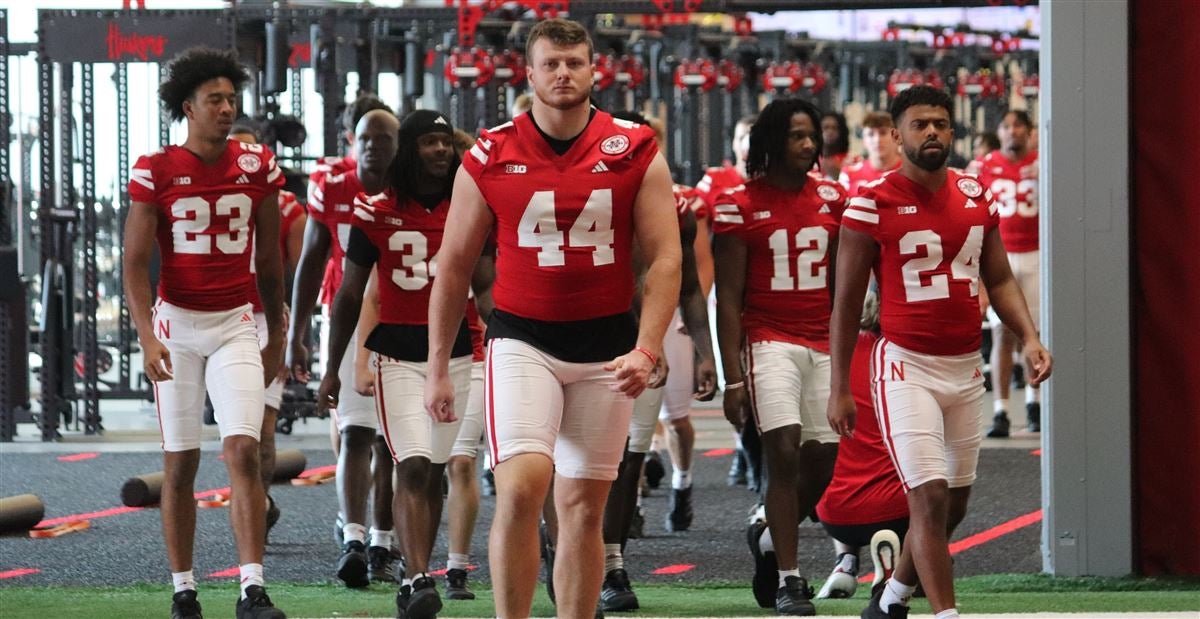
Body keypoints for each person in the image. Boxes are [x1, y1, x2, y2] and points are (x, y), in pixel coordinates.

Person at [424, 18, 682, 619]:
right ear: (530, 72)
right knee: (519, 489)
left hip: (608, 345)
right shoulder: (489, 153)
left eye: (574, 63)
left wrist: (647, 346)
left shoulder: (635, 146)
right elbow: (454, 264)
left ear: (594, 70)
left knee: (585, 510)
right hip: (523, 338)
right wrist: (439, 367)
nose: (563, 73)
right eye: (551, 64)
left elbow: (665, 257)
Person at [828, 85, 1051, 619]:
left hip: (964, 364)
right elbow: (845, 303)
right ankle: (946, 613)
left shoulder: (975, 194)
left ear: (953, 131)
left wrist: (1030, 337)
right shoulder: (870, 200)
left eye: (941, 123)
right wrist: (838, 387)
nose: (932, 132)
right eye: (920, 124)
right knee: (926, 498)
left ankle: (892, 597)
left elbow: (997, 278)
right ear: (898, 134)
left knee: (953, 504)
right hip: (905, 363)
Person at [123, 47, 286, 619]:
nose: (226, 108)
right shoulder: (157, 168)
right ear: (187, 106)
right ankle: (183, 588)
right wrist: (147, 337)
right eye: (214, 99)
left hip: (236, 322)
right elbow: (135, 263)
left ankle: (251, 587)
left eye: (231, 99)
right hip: (177, 325)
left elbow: (270, 265)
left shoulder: (256, 164)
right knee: (180, 461)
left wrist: (279, 338)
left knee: (243, 450)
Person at [319, 109, 480, 619]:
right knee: (410, 463)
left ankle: (417, 572)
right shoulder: (373, 211)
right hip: (398, 356)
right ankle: (415, 574)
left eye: (444, 143)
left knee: (433, 471)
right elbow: (350, 293)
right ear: (408, 150)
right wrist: (334, 365)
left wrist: (507, 347)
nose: (440, 151)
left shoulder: (470, 208)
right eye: (429, 142)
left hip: (458, 354)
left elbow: (493, 286)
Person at [714, 97, 847, 616]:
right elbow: (727, 295)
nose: (809, 144)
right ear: (771, 140)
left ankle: (768, 534)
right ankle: (791, 578)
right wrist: (732, 377)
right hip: (768, 338)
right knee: (784, 450)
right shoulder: (739, 202)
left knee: (825, 457)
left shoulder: (834, 197)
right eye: (796, 135)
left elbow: (842, 282)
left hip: (822, 339)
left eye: (812, 134)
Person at [597, 111, 718, 613]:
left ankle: (612, 562)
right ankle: (562, 545)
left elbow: (688, 285)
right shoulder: (589, 194)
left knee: (630, 457)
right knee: (578, 460)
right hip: (583, 338)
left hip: (644, 340)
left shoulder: (677, 206)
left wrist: (704, 353)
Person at [290, 106, 401, 588]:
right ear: (351, 142)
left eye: (384, 138)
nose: (373, 145)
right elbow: (311, 260)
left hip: (402, 318)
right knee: (355, 430)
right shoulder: (333, 185)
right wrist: (296, 333)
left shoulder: (414, 184)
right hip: (347, 314)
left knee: (392, 442)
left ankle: (384, 538)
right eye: (365, 138)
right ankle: (355, 536)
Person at [229, 123, 307, 541]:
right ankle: (256, 502)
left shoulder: (288, 207)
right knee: (234, 426)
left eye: (249, 153)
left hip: (264, 318)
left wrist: (291, 332)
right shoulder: (204, 198)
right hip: (219, 315)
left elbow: (299, 274)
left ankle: (257, 506)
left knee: (262, 424)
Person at [812, 292, 909, 600]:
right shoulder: (906, 357)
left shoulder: (836, 357)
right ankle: (900, 567)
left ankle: (846, 561)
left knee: (841, 458)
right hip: (898, 509)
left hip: (834, 513)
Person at [696, 114, 763, 491]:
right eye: (743, 136)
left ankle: (756, 456)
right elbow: (700, 247)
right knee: (733, 382)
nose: (749, 144)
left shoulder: (776, 183)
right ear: (734, 143)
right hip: (725, 295)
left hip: (767, 295)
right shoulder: (716, 182)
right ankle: (746, 449)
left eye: (755, 136)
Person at [975, 110, 1041, 436]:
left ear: (1029, 132)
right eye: (1006, 126)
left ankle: (1035, 402)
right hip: (1001, 255)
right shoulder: (985, 166)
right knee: (1002, 333)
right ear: (998, 132)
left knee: (1036, 332)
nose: (1012, 131)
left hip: (1037, 253)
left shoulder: (1043, 161)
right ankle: (1001, 411)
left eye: (1018, 125)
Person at [839, 112, 902, 196]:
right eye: (870, 134)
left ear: (896, 136)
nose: (877, 140)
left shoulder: (912, 172)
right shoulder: (849, 173)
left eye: (883, 133)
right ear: (864, 140)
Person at [820, 111, 858, 182]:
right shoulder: (810, 160)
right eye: (825, 127)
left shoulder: (852, 161)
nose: (830, 132)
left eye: (834, 128)